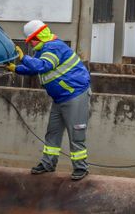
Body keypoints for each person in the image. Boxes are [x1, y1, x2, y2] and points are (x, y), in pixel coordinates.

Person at [8, 20, 92, 181]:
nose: (31, 44)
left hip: (75, 95)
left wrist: (23, 58)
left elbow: (43, 66)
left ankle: (81, 167)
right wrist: (15, 68)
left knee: (76, 133)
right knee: (53, 132)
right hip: (60, 98)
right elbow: (35, 67)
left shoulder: (54, 47)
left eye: (31, 40)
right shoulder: (44, 49)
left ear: (38, 37)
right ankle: (48, 164)